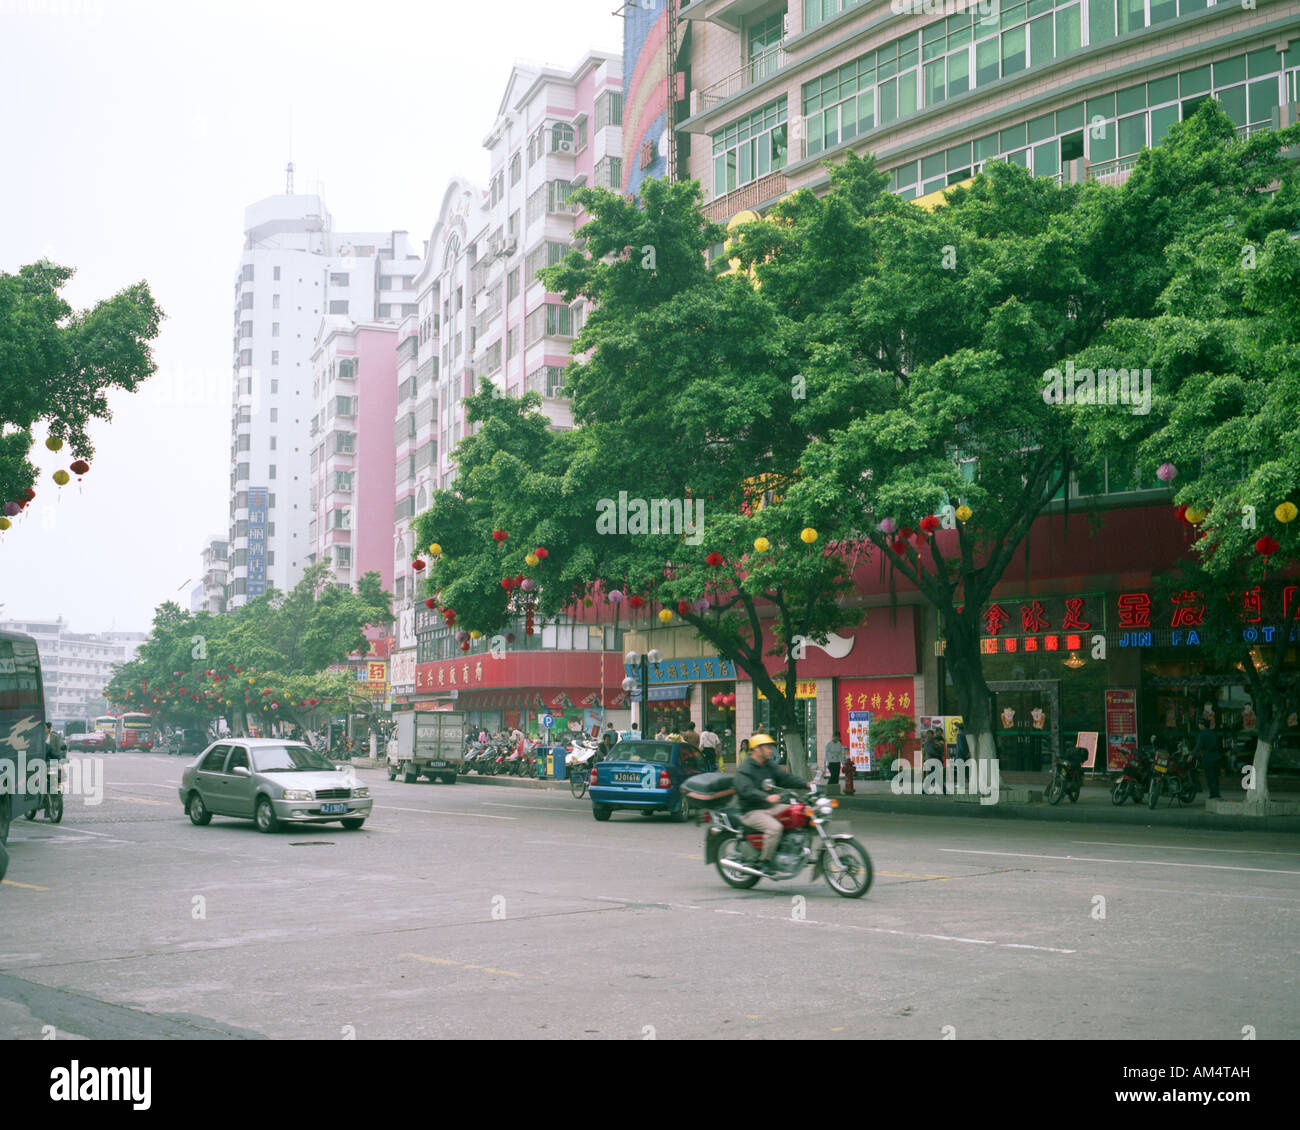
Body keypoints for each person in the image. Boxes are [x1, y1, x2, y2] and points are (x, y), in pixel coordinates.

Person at [735, 733, 808, 874]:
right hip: (751, 811)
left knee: (799, 811)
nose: (770, 750)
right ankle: (765, 862)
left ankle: (791, 849)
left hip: (770, 807)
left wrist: (806, 784)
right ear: (756, 749)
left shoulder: (768, 765)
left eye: (770, 747)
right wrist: (765, 797)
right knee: (775, 828)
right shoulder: (745, 769)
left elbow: (784, 778)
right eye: (767, 747)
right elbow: (745, 789)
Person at [1196, 718, 1221, 799]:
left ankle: (1213, 794)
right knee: (1215, 776)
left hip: (1208, 757)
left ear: (1202, 725)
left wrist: (1191, 755)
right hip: (1216, 756)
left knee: (1210, 776)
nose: (1198, 725)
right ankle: (1216, 793)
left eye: (1200, 724)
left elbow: (1199, 746)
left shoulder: (1202, 733)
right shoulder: (1213, 732)